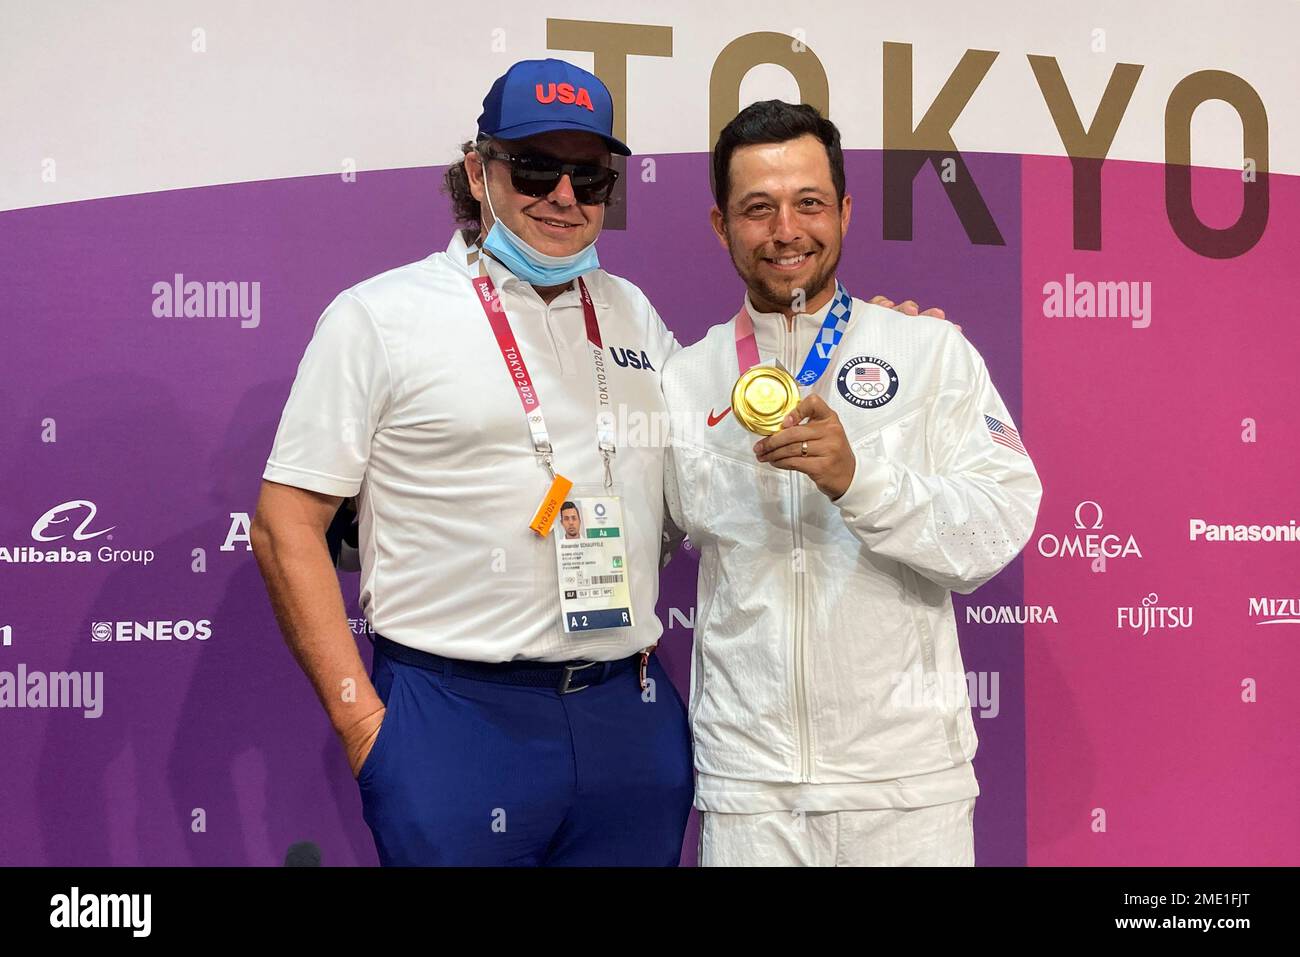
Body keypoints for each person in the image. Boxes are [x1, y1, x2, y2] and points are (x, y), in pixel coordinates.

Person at [251, 58, 694, 866]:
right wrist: (363, 724)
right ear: (477, 169)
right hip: (453, 717)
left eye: (590, 176)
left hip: (627, 715)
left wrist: (883, 355)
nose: (564, 195)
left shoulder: (633, 312)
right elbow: (286, 523)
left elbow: (725, 442)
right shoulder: (379, 317)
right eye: (534, 166)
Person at [661, 100, 1043, 866]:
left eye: (808, 203)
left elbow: (997, 527)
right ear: (720, 225)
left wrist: (860, 481)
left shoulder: (932, 352)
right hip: (750, 791)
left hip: (908, 790)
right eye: (757, 208)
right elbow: (644, 542)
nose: (786, 231)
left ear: (845, 210)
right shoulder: (683, 376)